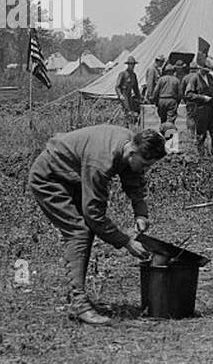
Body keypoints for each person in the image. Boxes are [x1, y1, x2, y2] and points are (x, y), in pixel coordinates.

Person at [27, 125, 168, 325]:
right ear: (132, 151)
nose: (146, 169)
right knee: (79, 232)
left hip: (72, 176)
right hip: (49, 178)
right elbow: (94, 215)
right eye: (145, 164)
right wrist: (126, 242)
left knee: (84, 233)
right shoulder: (100, 161)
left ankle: (75, 296)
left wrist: (141, 213)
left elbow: (133, 177)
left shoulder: (130, 143)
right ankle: (79, 304)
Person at [185, 61, 213, 156]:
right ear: (200, 68)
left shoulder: (210, 77)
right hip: (200, 109)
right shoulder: (194, 78)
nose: (207, 71)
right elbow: (188, 94)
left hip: (212, 108)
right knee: (201, 134)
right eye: (205, 69)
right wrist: (203, 98)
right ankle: (201, 154)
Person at [152, 60, 184, 126]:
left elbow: (156, 91)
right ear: (172, 71)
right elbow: (180, 94)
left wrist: (155, 101)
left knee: (162, 120)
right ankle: (169, 135)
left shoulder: (161, 79)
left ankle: (162, 133)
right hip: (172, 101)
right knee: (170, 120)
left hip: (162, 100)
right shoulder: (176, 80)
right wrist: (177, 102)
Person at [115, 56, 142, 126]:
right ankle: (125, 125)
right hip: (124, 95)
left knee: (131, 111)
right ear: (128, 65)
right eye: (130, 64)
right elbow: (117, 86)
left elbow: (135, 88)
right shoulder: (123, 74)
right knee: (127, 111)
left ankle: (130, 125)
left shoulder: (133, 75)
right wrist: (120, 95)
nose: (132, 66)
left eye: (133, 64)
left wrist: (139, 97)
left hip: (129, 95)